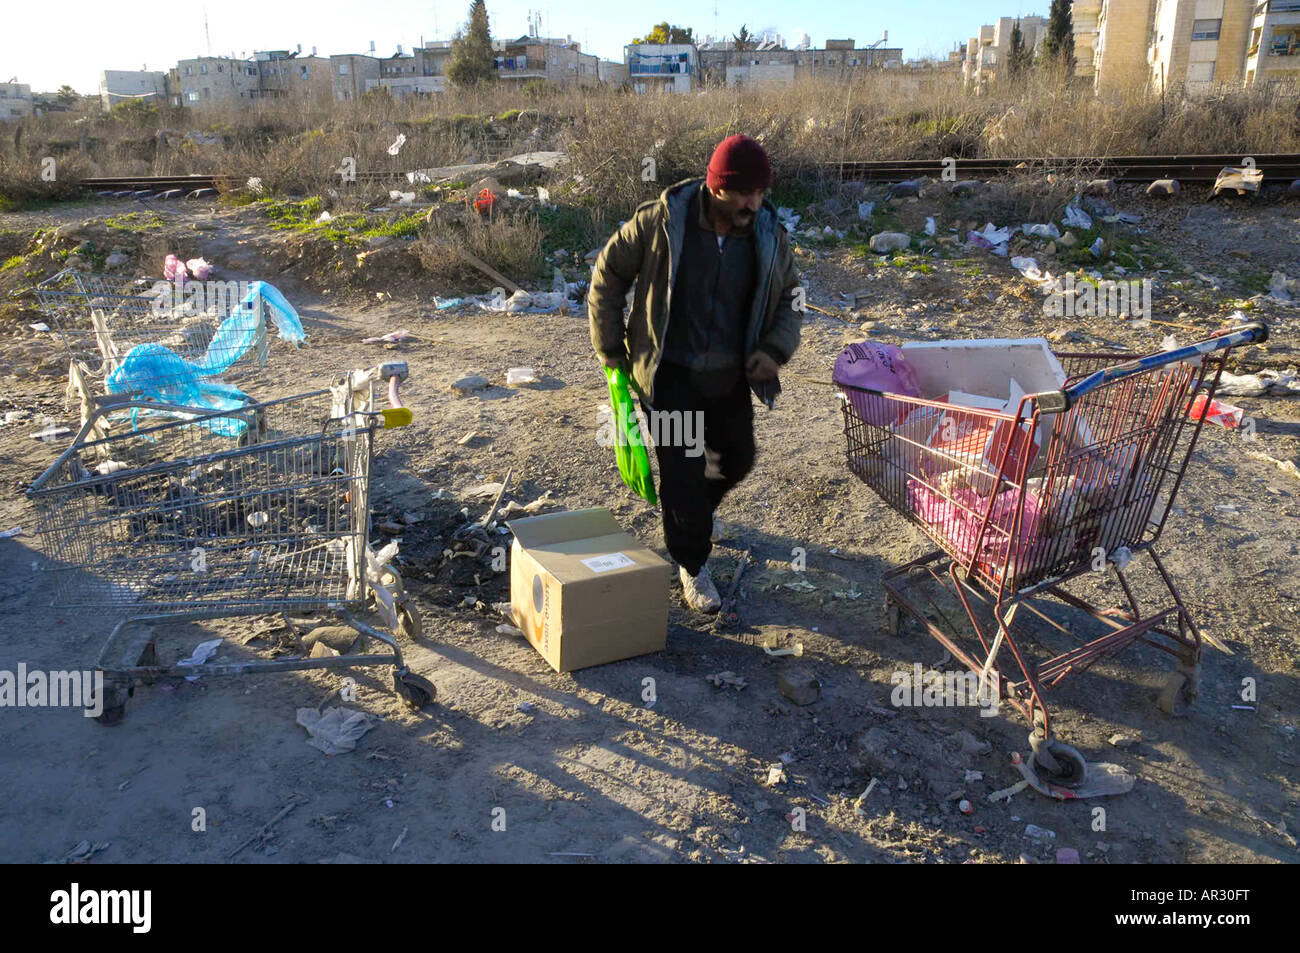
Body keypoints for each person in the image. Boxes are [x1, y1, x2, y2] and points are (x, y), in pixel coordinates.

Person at [588, 134, 802, 613]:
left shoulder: (767, 232)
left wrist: (773, 349)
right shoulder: (662, 222)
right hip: (669, 377)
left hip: (728, 375)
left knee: (737, 460)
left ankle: (693, 516)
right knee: (683, 472)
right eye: (744, 192)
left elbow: (791, 296)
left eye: (761, 192)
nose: (754, 202)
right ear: (715, 187)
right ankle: (692, 563)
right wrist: (609, 345)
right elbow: (608, 275)